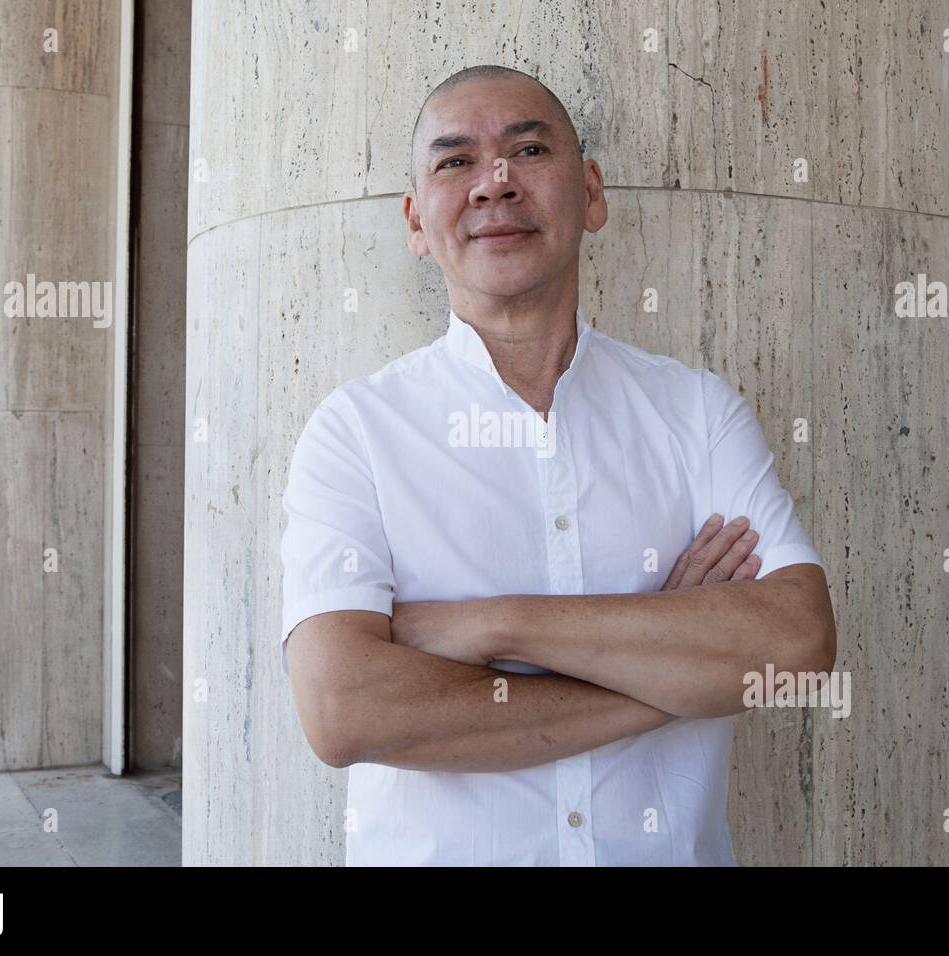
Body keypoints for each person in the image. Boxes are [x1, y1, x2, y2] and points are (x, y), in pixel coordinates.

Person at [279, 64, 836, 866]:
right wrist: (671, 667)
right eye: (454, 161)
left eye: (529, 149)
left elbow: (795, 649)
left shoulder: (697, 413)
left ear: (592, 193)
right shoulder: (356, 432)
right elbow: (344, 712)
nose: (494, 185)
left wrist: (488, 624)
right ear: (413, 220)